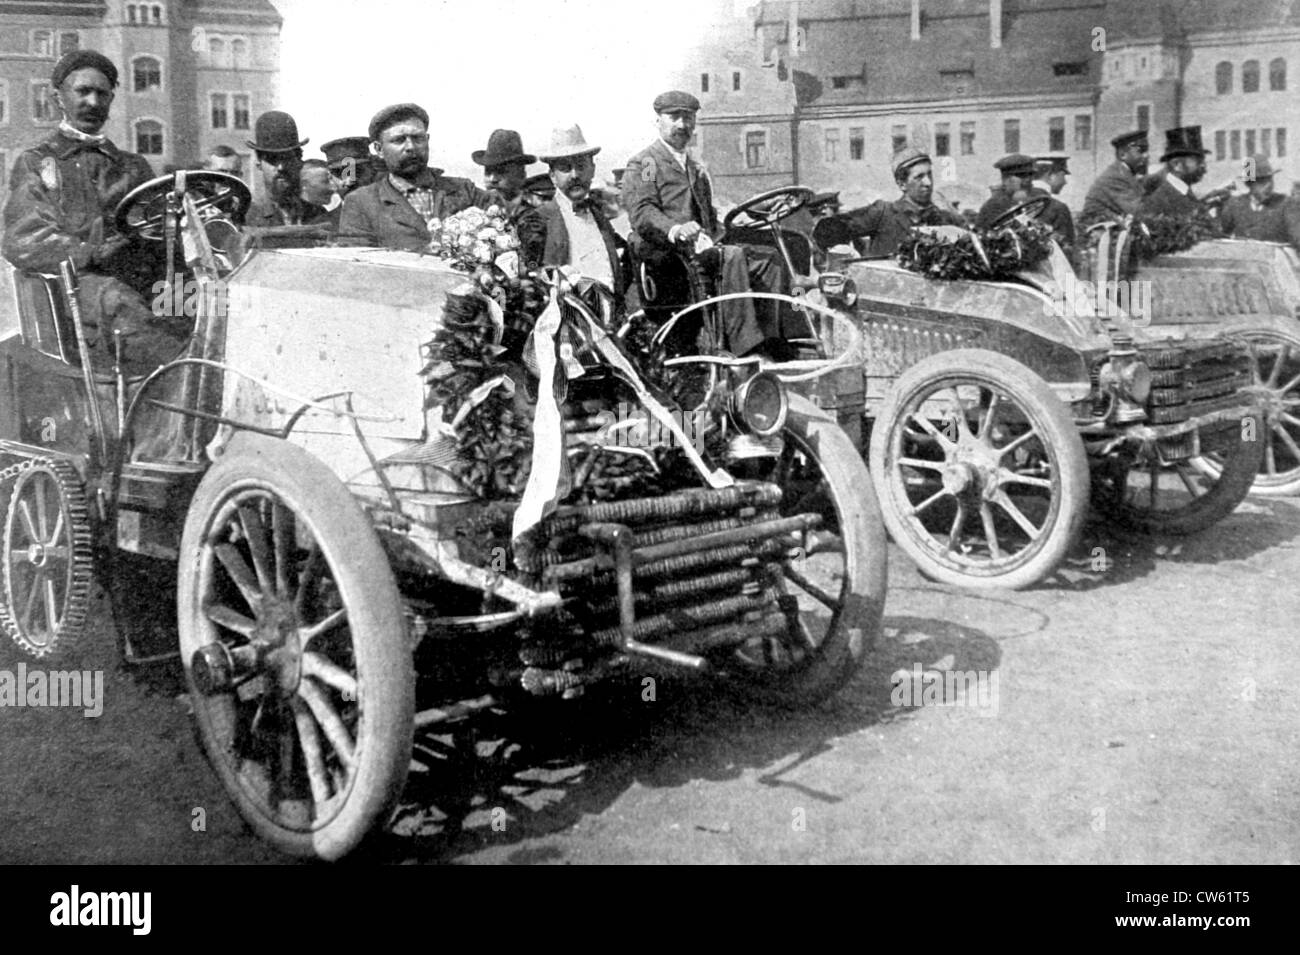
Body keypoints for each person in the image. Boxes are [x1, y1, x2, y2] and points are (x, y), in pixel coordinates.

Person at [2, 49, 178, 372]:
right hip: (77, 290)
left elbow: (160, 229)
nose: (93, 102)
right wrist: (92, 253)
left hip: (141, 282)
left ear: (112, 100)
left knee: (204, 303)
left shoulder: (133, 167)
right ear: (59, 99)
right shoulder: (40, 162)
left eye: (102, 94)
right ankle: (181, 383)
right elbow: (24, 239)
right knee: (124, 307)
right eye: (83, 91)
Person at [622, 90, 786, 357]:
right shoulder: (648, 162)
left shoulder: (694, 167)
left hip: (701, 248)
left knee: (770, 259)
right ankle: (743, 347)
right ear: (658, 120)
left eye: (688, 118)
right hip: (667, 254)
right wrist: (674, 229)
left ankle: (771, 341)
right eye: (674, 117)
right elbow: (643, 210)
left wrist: (744, 217)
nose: (682, 125)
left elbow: (708, 217)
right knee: (731, 256)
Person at [337, 103, 493, 250]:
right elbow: (357, 268)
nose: (411, 147)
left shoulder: (465, 191)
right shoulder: (361, 202)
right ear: (379, 149)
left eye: (418, 138)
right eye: (398, 140)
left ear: (427, 140)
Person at [516, 124, 626, 301]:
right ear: (552, 176)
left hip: (612, 319)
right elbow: (529, 275)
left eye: (581, 166)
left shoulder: (598, 215)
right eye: (566, 168)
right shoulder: (538, 219)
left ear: (593, 169)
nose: (575, 175)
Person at [814, 147, 963, 257]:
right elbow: (828, 231)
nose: (928, 182)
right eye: (919, 177)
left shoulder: (944, 217)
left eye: (930, 175)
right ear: (902, 184)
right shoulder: (883, 213)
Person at [244, 110, 331, 228]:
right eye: (272, 160)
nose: (280, 167)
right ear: (259, 163)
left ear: (299, 161)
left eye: (286, 158)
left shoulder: (318, 216)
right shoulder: (247, 218)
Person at [977, 153, 1075, 248]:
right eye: (1021, 175)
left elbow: (1067, 247)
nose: (1027, 180)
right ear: (1005, 179)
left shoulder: (1053, 207)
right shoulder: (991, 207)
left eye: (1030, 175)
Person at [1219, 155, 1300, 249]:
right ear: (1249, 184)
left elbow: (1297, 238)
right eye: (1262, 182)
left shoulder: (1286, 204)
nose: (1268, 185)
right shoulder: (1234, 205)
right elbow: (1221, 237)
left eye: (1270, 179)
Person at [1080, 130, 1150, 225]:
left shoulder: (1124, 173)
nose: (1147, 156)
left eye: (1147, 150)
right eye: (1141, 151)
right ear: (1123, 155)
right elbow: (1139, 212)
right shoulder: (1115, 177)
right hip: (1098, 234)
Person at [1140, 126, 1210, 217]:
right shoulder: (1161, 200)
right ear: (1177, 164)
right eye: (1198, 161)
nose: (1204, 167)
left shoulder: (1182, 192)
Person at [471, 128, 535, 224]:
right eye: (488, 172)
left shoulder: (536, 215)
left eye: (501, 172)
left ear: (521, 175)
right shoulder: (476, 215)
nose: (493, 179)